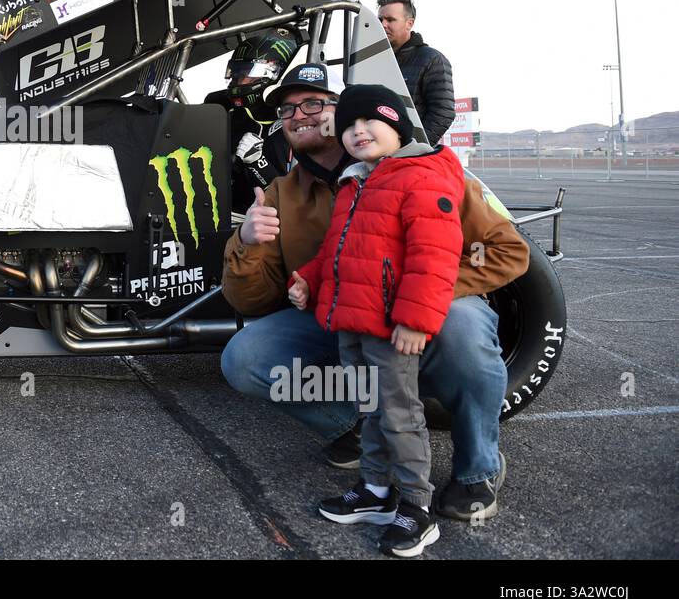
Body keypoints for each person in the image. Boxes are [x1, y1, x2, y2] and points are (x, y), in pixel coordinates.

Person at [219, 62, 528, 524]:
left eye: (313, 103)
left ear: (339, 114)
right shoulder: (280, 193)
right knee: (245, 357)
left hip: (418, 313)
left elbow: (506, 251)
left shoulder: (426, 172)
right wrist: (246, 245)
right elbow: (252, 302)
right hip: (346, 320)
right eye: (287, 109)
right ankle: (366, 426)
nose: (298, 115)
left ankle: (477, 467)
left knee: (463, 324)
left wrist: (418, 296)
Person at [288, 84, 464, 557]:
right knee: (369, 409)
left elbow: (436, 256)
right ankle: (376, 491)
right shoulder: (355, 181)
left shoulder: (420, 177)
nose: (357, 131)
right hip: (352, 321)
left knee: (400, 415)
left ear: (398, 126)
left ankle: (417, 506)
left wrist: (415, 320)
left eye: (370, 121)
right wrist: (309, 278)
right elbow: (339, 249)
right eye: (347, 125)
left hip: (390, 327)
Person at [203, 27, 300, 212]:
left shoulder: (291, 124)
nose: (238, 81)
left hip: (263, 221)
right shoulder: (223, 111)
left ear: (273, 73)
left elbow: (290, 201)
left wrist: (257, 162)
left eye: (247, 74)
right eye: (236, 74)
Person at [376, 0, 455, 145]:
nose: (383, 25)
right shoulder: (373, 61)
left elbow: (443, 112)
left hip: (407, 156)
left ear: (409, 23)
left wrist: (415, 148)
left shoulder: (432, 59)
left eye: (390, 20)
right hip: (376, 153)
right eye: (379, 20)